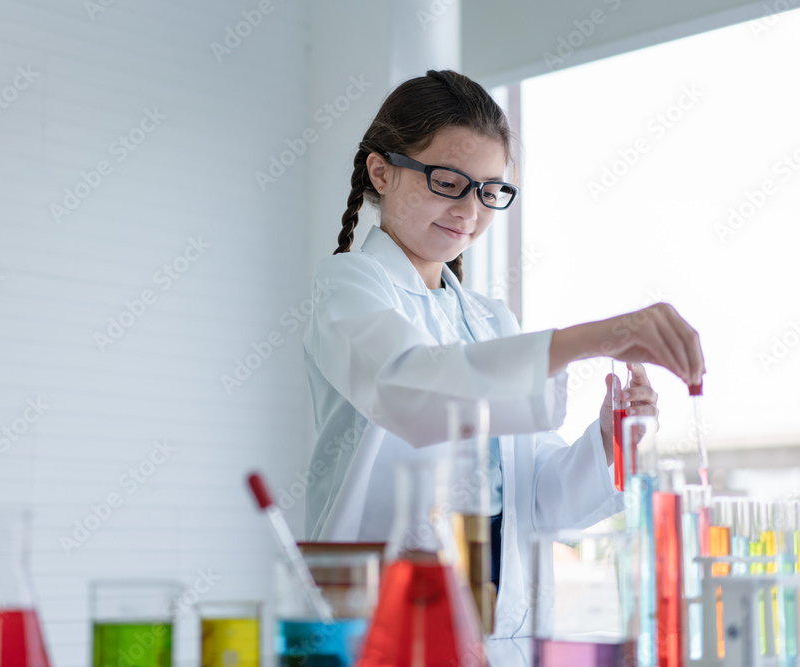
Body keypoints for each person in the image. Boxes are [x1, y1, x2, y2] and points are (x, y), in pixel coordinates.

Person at [301, 69, 705, 638]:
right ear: (381, 172)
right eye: (449, 181)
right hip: (374, 624)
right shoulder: (347, 285)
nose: (471, 210)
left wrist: (610, 442)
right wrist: (588, 339)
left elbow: (541, 503)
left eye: (490, 190)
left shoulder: (491, 322)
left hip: (496, 632)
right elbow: (410, 391)